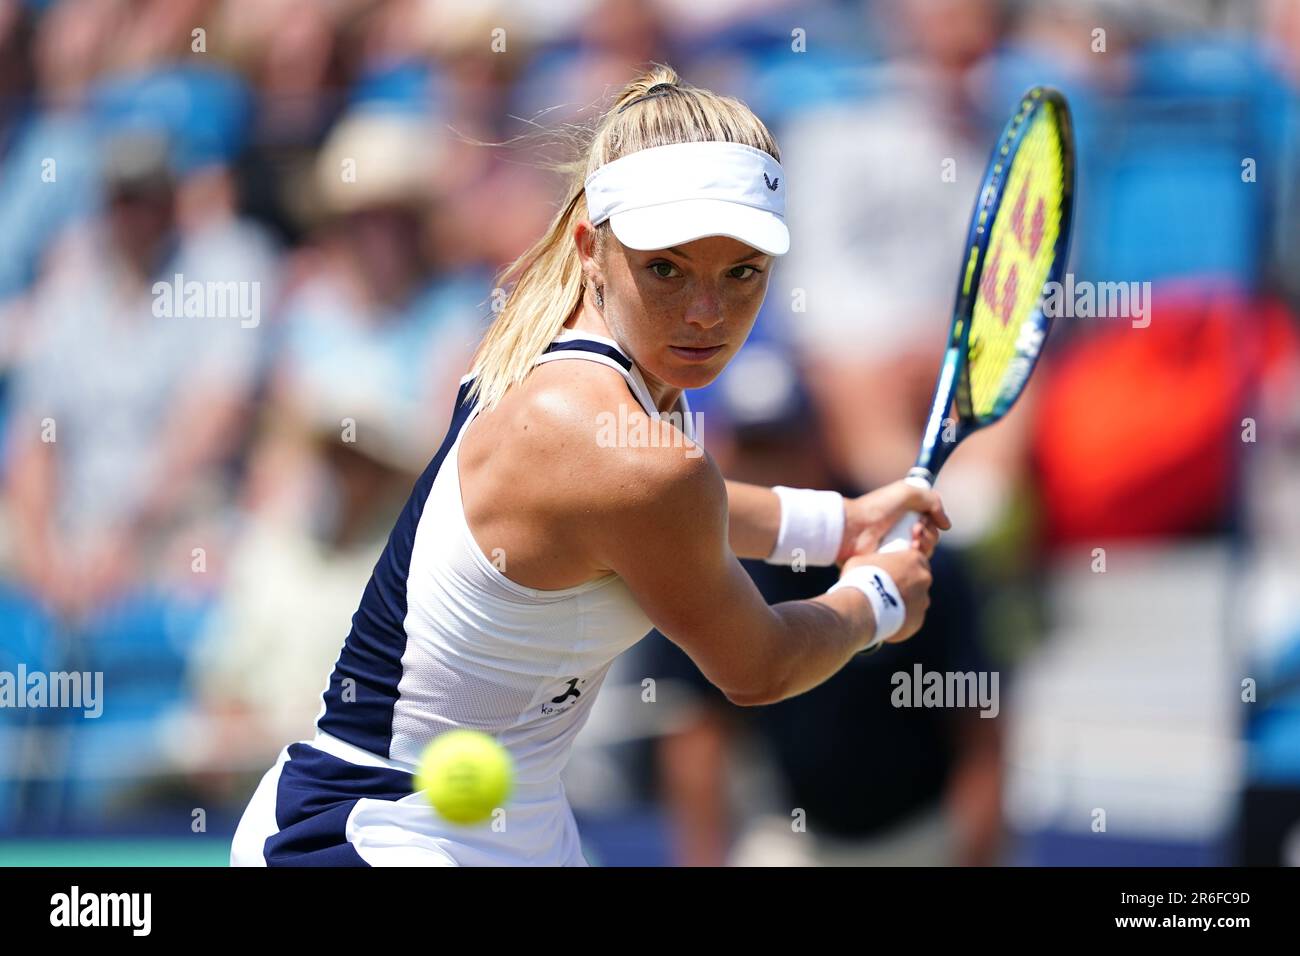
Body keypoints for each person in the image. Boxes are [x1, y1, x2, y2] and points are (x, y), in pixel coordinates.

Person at [230, 65, 949, 867]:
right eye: (667, 269)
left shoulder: (590, 371)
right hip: (364, 835)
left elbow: (670, 511)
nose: (706, 312)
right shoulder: (611, 442)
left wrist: (839, 522)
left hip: (517, 826)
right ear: (591, 249)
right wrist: (879, 599)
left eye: (741, 272)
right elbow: (760, 665)